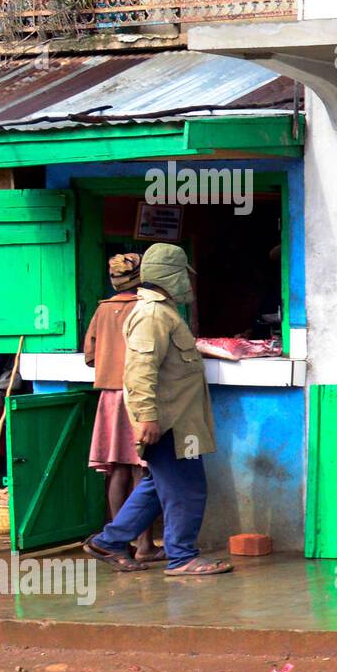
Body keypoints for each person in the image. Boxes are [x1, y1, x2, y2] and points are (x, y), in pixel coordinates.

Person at [82, 243, 232, 576]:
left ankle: (110, 541)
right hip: (169, 423)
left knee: (156, 485)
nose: (188, 283)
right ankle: (182, 557)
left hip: (180, 420)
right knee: (187, 488)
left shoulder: (163, 311)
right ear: (169, 275)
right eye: (183, 275)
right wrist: (147, 417)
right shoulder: (151, 314)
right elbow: (139, 370)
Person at [83, 253, 162, 561]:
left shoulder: (103, 310)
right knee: (141, 469)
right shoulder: (145, 308)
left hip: (109, 399)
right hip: (136, 395)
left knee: (116, 470)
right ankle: (145, 545)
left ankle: (119, 546)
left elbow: (90, 356)